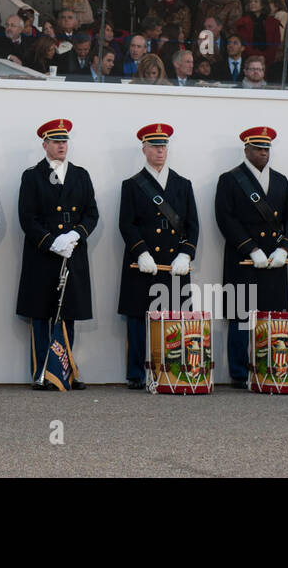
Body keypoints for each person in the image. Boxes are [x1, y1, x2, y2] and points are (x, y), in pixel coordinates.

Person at [17, 119, 99, 390]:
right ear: (45, 145)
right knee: (41, 315)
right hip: (43, 255)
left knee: (68, 314)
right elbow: (27, 217)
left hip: (72, 254)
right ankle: (42, 371)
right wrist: (51, 242)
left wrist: (75, 235)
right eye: (56, 141)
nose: (62, 145)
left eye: (64, 141)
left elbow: (91, 213)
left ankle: (64, 370)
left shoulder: (81, 174)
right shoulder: (32, 176)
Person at [117, 123, 199, 389]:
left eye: (163, 146)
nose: (160, 151)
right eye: (154, 146)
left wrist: (186, 254)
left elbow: (192, 225)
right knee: (138, 319)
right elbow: (126, 223)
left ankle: (174, 369)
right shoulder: (131, 185)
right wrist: (141, 252)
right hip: (143, 263)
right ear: (144, 149)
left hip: (174, 262)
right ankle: (136, 374)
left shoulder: (183, 184)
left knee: (175, 319)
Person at [215, 127, 288, 389]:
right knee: (241, 317)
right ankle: (239, 373)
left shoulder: (281, 180)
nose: (263, 153)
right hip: (243, 259)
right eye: (258, 149)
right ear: (246, 150)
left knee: (272, 316)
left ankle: (270, 366)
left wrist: (284, 248)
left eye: (266, 149)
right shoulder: (229, 180)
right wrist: (251, 248)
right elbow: (225, 218)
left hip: (273, 258)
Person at [234, 0, 282, 64]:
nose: (252, 4)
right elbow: (243, 43)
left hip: (269, 61)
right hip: (247, 60)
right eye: (250, 2)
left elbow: (275, 44)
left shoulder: (273, 23)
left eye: (256, 1)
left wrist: (264, 57)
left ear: (263, 4)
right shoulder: (242, 23)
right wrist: (255, 57)